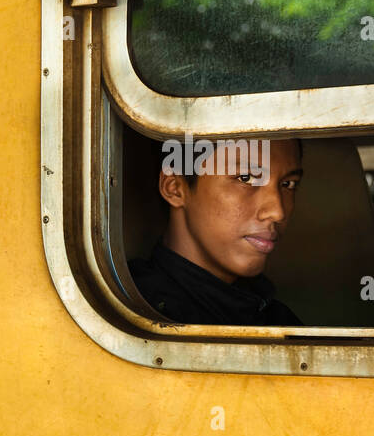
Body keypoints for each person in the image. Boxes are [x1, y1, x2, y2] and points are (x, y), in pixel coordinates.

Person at [129, 137, 304, 325]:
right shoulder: (126, 313)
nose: (277, 212)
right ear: (175, 189)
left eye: (288, 184)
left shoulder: (280, 321)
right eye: (246, 178)